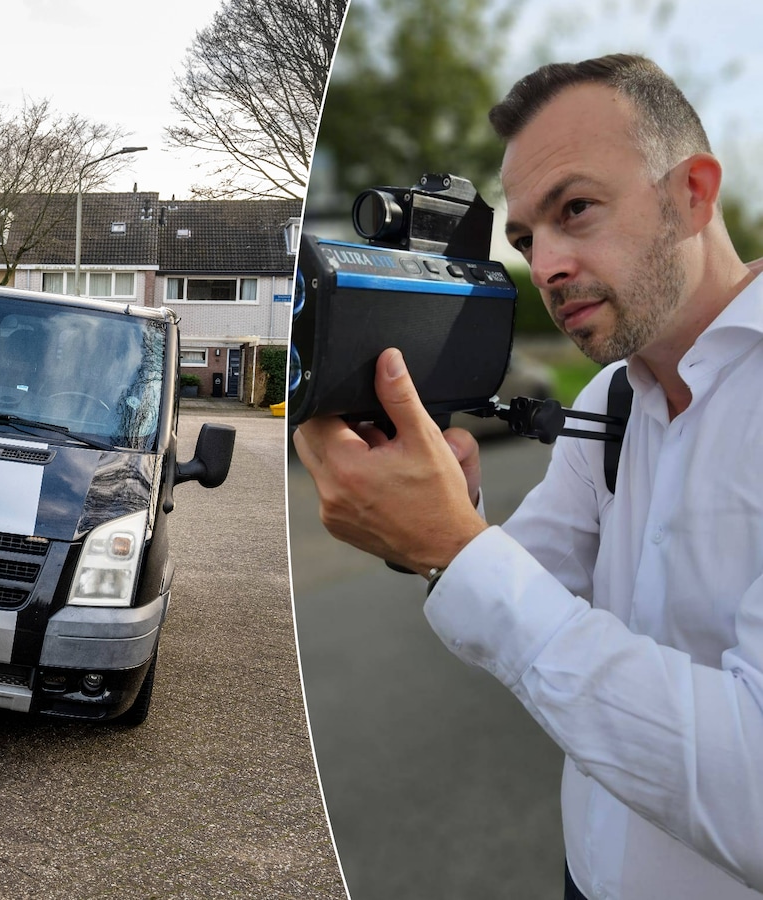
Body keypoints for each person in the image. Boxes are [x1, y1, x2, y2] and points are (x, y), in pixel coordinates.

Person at [293, 54, 763, 899]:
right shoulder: (616, 397)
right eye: (523, 239)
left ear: (693, 194)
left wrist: (453, 547)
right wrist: (439, 515)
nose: (541, 265)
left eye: (575, 209)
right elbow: (515, 584)